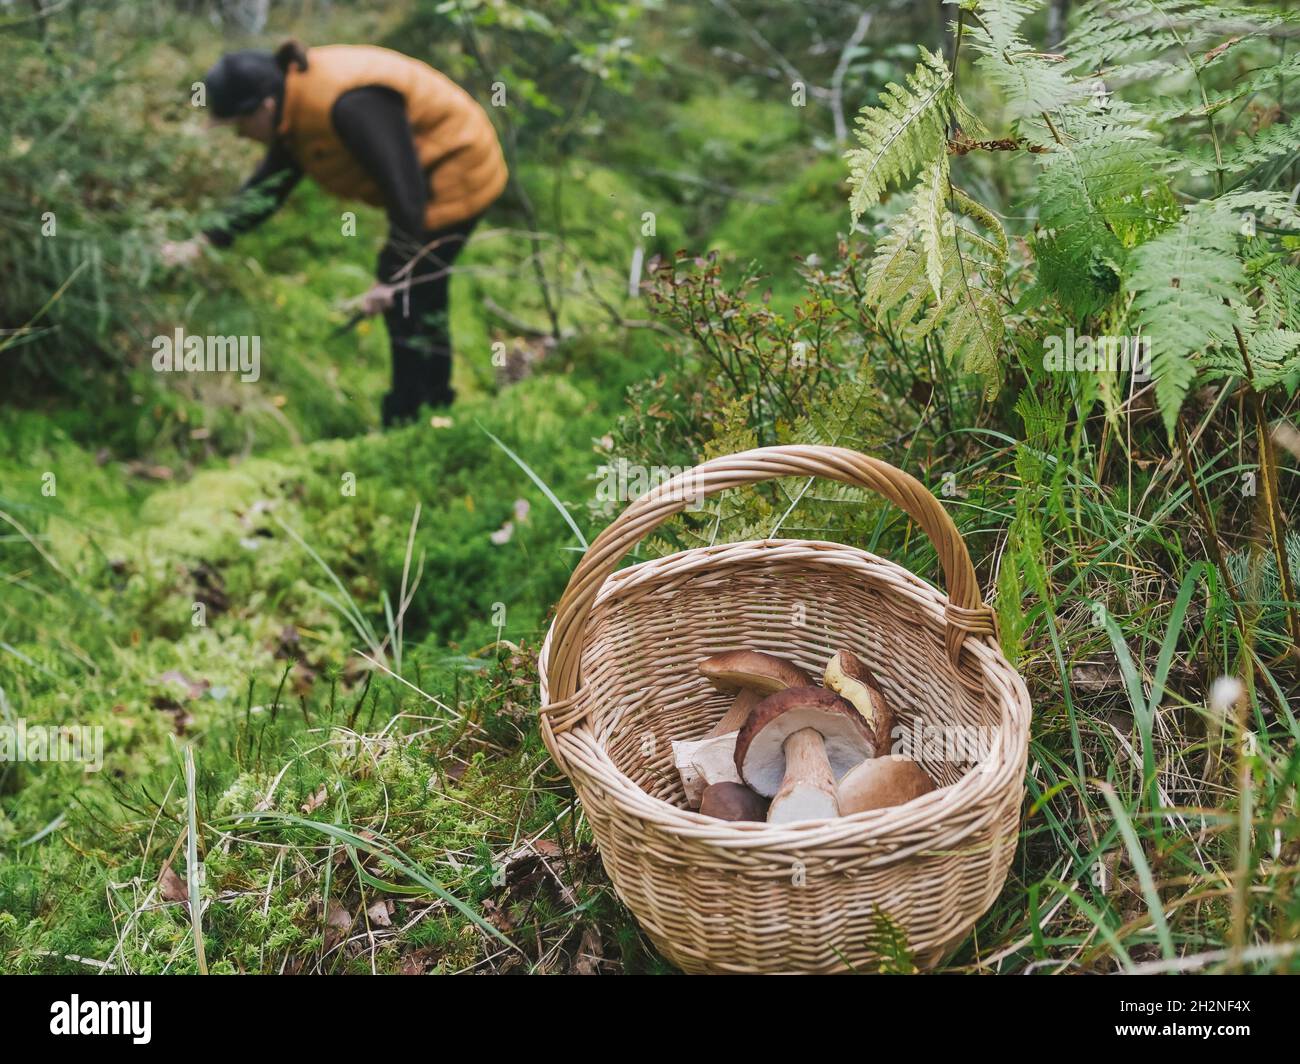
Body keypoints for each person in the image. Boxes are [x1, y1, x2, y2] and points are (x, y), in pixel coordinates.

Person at [163, 41, 508, 425]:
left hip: (459, 168)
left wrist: (389, 277)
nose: (242, 137)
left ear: (264, 106)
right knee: (411, 292)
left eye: (240, 126)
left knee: (413, 295)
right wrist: (206, 241)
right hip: (420, 184)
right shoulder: (294, 107)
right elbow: (270, 185)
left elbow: (405, 191)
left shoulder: (349, 104)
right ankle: (422, 411)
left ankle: (420, 416)